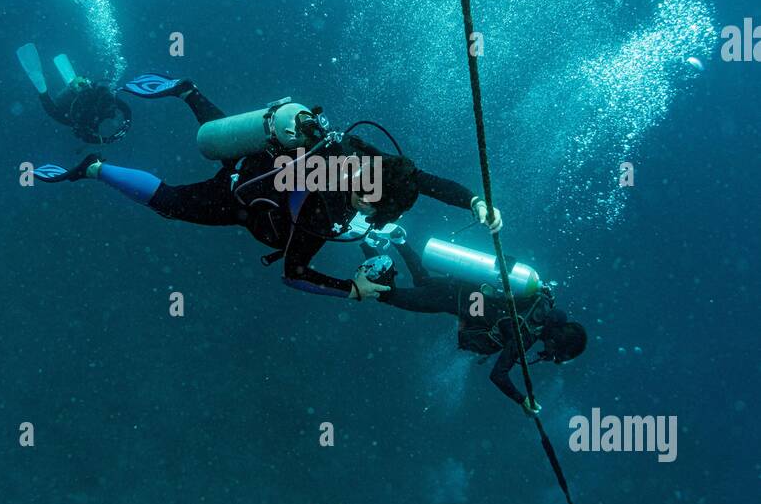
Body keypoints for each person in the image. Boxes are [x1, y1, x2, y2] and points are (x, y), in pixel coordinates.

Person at [34, 77, 502, 300]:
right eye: (368, 200)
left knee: (222, 136)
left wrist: (475, 202)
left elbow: (426, 181)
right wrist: (351, 288)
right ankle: (95, 167)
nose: (364, 204)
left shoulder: (376, 161)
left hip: (258, 154)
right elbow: (294, 272)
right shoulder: (326, 209)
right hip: (241, 197)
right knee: (171, 203)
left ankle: (186, 89)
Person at [375, 239, 587, 411]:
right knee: (390, 297)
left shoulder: (543, 303)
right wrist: (522, 401)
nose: (550, 356)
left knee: (421, 281)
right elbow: (498, 375)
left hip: (465, 286)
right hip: (455, 299)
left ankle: (398, 238)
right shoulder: (525, 335)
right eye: (556, 354)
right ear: (557, 342)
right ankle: (368, 252)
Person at [16, 42, 131, 145]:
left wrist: (126, 124)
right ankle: (43, 90)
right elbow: (86, 136)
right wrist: (107, 140)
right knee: (53, 111)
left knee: (69, 100)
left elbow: (125, 108)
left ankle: (68, 84)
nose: (113, 112)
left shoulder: (107, 97)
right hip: (68, 113)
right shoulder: (87, 115)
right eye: (111, 110)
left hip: (80, 104)